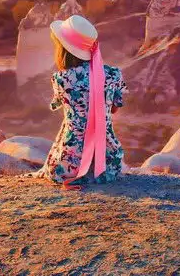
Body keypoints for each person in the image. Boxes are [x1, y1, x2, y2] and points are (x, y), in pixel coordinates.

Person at [41, 14, 126, 189]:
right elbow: (114, 109)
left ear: (63, 49)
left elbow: (57, 105)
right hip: (108, 164)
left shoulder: (60, 78)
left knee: (58, 166)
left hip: (68, 163)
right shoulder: (114, 74)